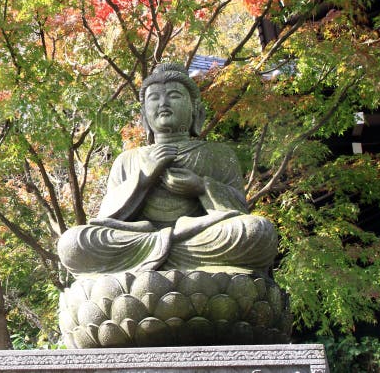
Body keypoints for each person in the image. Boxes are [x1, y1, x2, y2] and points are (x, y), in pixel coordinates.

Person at [57, 63, 278, 278]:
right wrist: (143, 178)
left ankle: (157, 263)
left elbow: (239, 208)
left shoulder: (219, 154)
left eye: (174, 96)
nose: (163, 103)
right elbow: (106, 215)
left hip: (198, 237)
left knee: (256, 230)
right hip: (140, 239)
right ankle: (164, 257)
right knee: (73, 243)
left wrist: (201, 187)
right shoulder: (128, 160)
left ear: (195, 111)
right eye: (154, 98)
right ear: (144, 116)